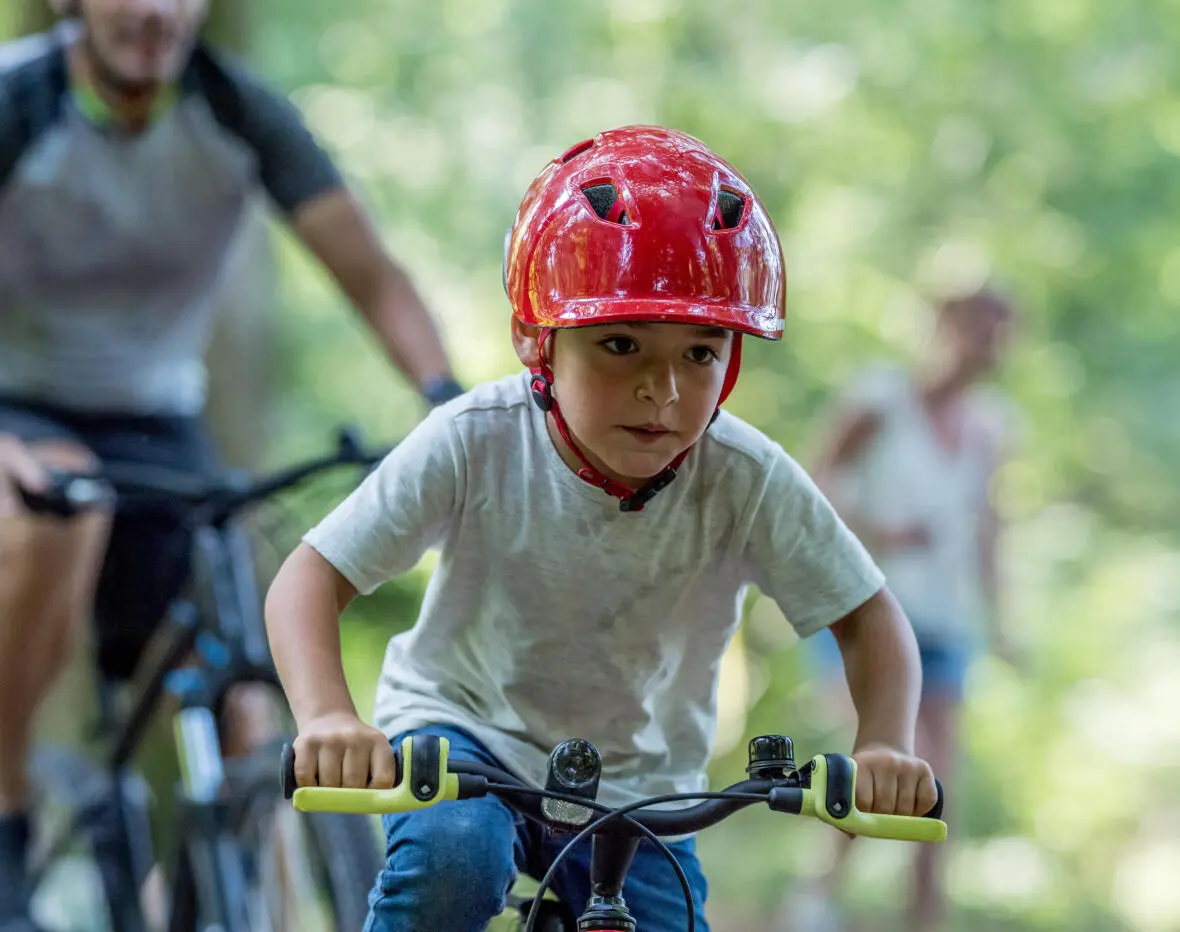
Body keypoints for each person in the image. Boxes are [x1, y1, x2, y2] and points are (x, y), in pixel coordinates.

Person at [265, 125, 939, 932]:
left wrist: (885, 744)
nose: (664, 390)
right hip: (469, 740)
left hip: (646, 789)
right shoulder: (476, 438)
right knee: (454, 861)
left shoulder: (744, 476)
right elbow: (309, 577)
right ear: (536, 340)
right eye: (621, 344)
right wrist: (329, 717)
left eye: (700, 352)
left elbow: (867, 618)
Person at [0, 1, 463, 928]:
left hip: (158, 414)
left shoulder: (237, 110)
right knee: (61, 519)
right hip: (18, 402)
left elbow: (368, 272)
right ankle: (6, 807)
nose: (155, 11)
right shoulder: (21, 102)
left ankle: (216, 895)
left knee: (242, 668)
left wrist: (446, 404)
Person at [795, 286, 1018, 931]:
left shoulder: (990, 425)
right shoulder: (880, 398)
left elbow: (989, 524)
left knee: (940, 777)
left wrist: (1002, 617)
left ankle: (926, 918)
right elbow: (811, 484)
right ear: (947, 324)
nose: (993, 344)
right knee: (887, 757)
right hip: (866, 611)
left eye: (1003, 331)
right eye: (983, 325)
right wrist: (876, 527)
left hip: (945, 621)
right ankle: (818, 896)